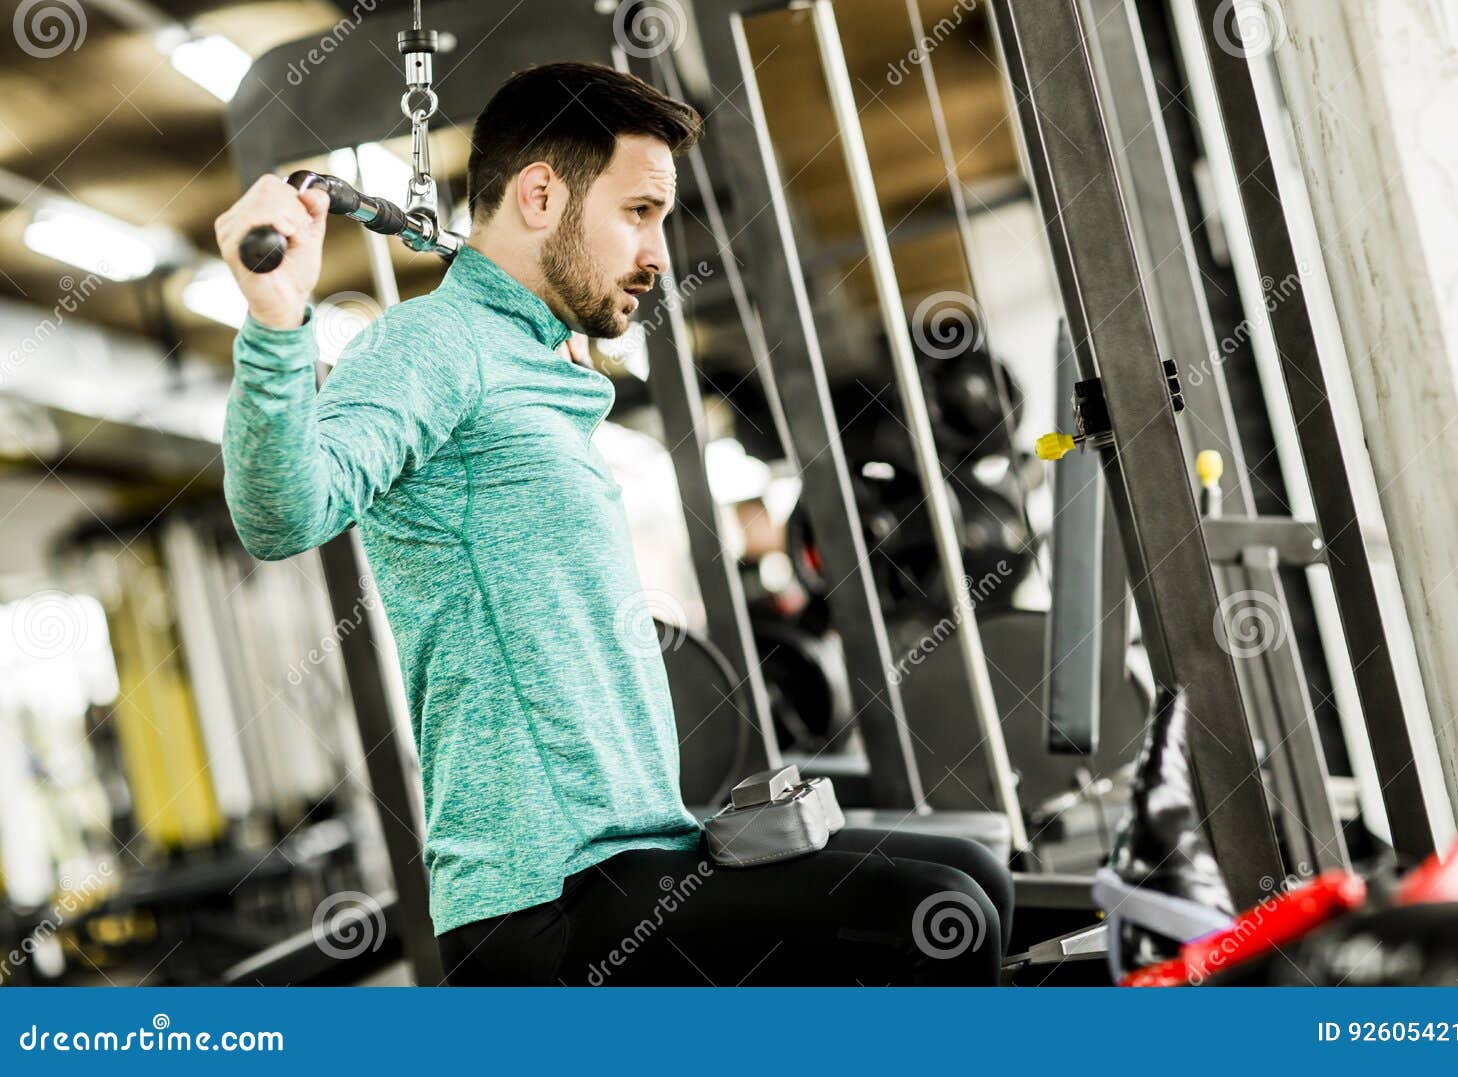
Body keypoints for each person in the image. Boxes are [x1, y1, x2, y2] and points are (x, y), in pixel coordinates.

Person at [214, 61, 1013, 985]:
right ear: (542, 194)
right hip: (547, 896)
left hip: (638, 850)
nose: (660, 251)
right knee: (934, 912)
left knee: (974, 875)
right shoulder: (434, 343)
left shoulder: (534, 359)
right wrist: (276, 324)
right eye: (638, 212)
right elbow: (283, 513)